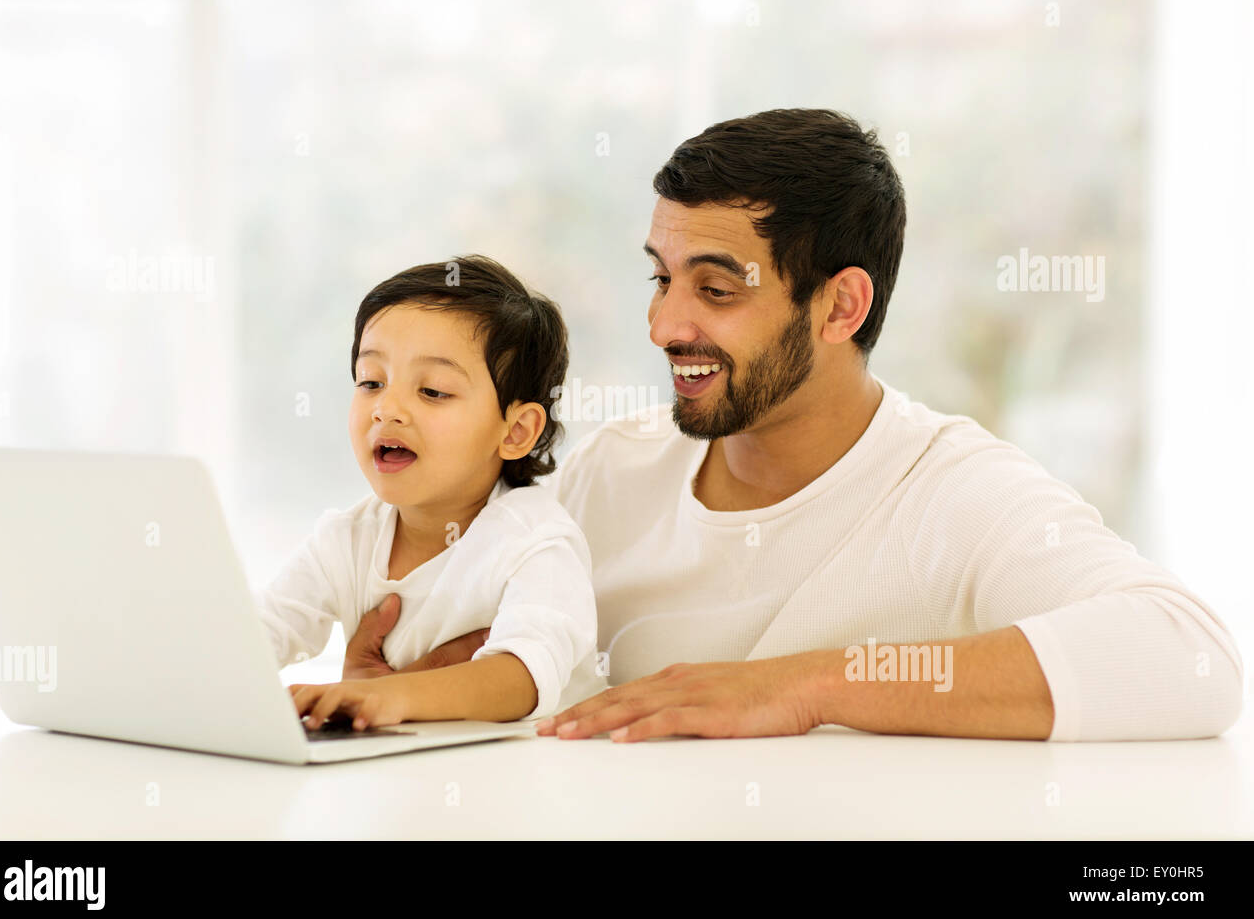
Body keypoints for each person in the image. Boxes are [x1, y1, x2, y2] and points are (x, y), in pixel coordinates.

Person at [343, 108, 1244, 743]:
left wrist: (803, 686)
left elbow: (1190, 660)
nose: (664, 327)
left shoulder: (956, 492)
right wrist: (408, 687)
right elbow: (494, 665)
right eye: (661, 278)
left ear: (840, 306)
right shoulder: (609, 476)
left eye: (717, 289)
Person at [259, 255, 606, 729]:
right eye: (371, 382)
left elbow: (523, 674)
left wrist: (388, 697)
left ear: (516, 430)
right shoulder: (345, 539)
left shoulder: (536, 540)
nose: (387, 408)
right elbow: (255, 638)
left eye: (433, 391)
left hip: (533, 783)